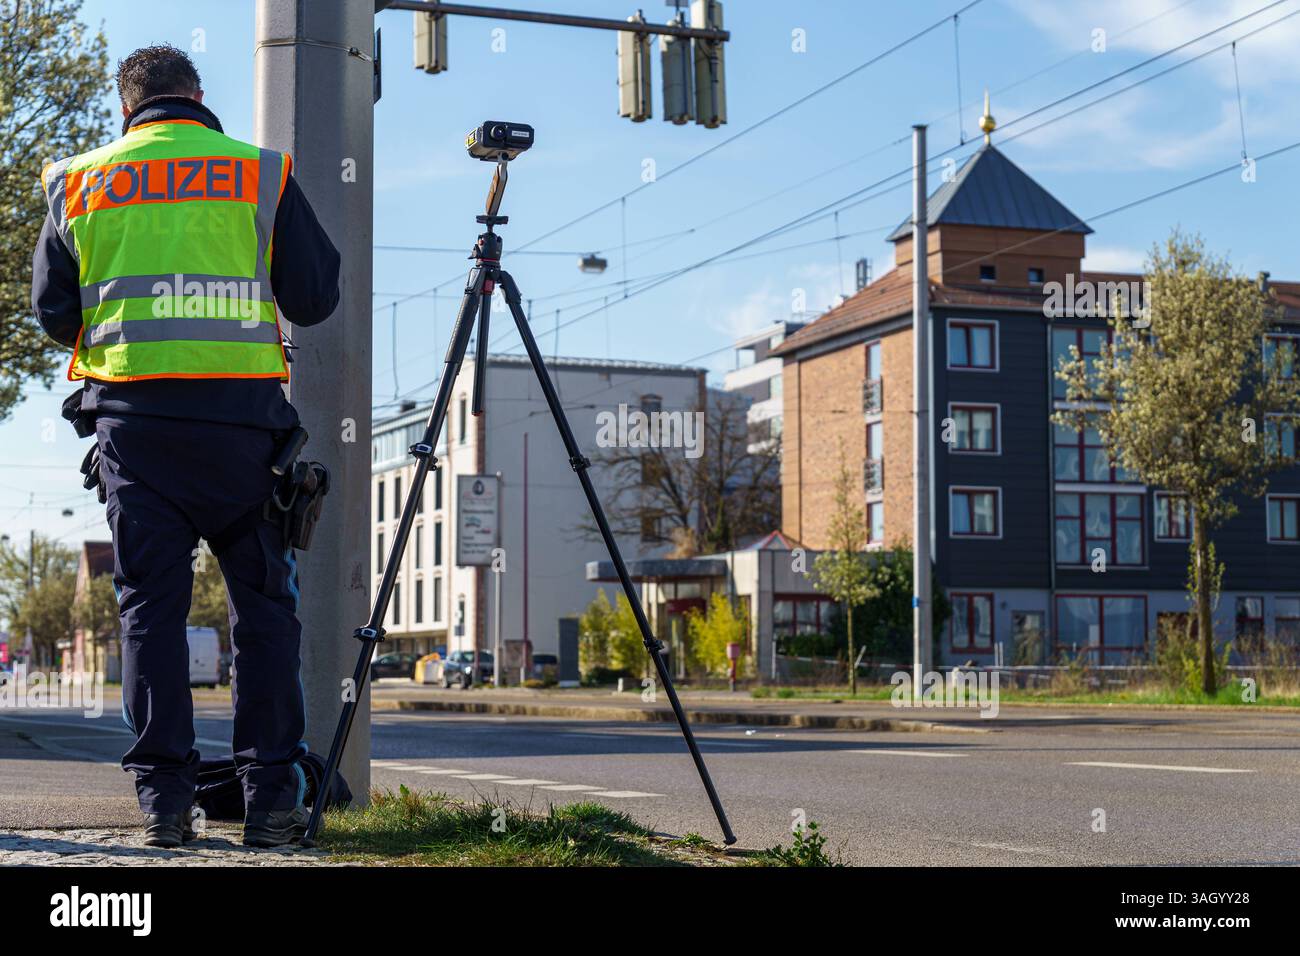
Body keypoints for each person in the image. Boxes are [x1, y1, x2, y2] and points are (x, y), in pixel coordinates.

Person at [31, 44, 340, 848]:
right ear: (198, 95)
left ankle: (165, 805)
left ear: (124, 107)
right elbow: (314, 295)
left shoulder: (79, 180)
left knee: (150, 614)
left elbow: (54, 312)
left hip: (135, 430)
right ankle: (271, 799)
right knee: (265, 615)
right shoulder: (259, 172)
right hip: (245, 433)